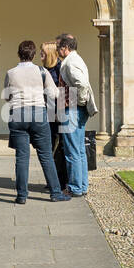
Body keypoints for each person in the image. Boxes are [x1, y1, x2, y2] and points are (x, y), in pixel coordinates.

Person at [3, 40, 71, 206]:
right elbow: (54, 93)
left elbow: (6, 96)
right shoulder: (41, 71)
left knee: (21, 157)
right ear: (33, 55)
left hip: (18, 115)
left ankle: (21, 195)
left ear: (19, 54)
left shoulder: (11, 73)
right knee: (46, 155)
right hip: (38, 115)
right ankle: (56, 193)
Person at [56, 33, 97, 197]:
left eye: (58, 47)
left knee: (72, 151)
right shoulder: (75, 59)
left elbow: (81, 84)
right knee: (79, 150)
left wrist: (78, 102)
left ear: (65, 48)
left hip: (72, 109)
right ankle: (82, 186)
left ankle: (75, 188)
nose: (57, 50)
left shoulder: (70, 62)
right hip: (75, 109)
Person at [40, 39, 67, 190]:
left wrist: (59, 111)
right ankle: (52, 180)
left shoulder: (60, 69)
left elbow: (63, 91)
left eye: (43, 52)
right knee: (48, 147)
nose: (40, 55)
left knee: (60, 148)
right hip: (47, 113)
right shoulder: (44, 69)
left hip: (57, 113)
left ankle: (61, 181)